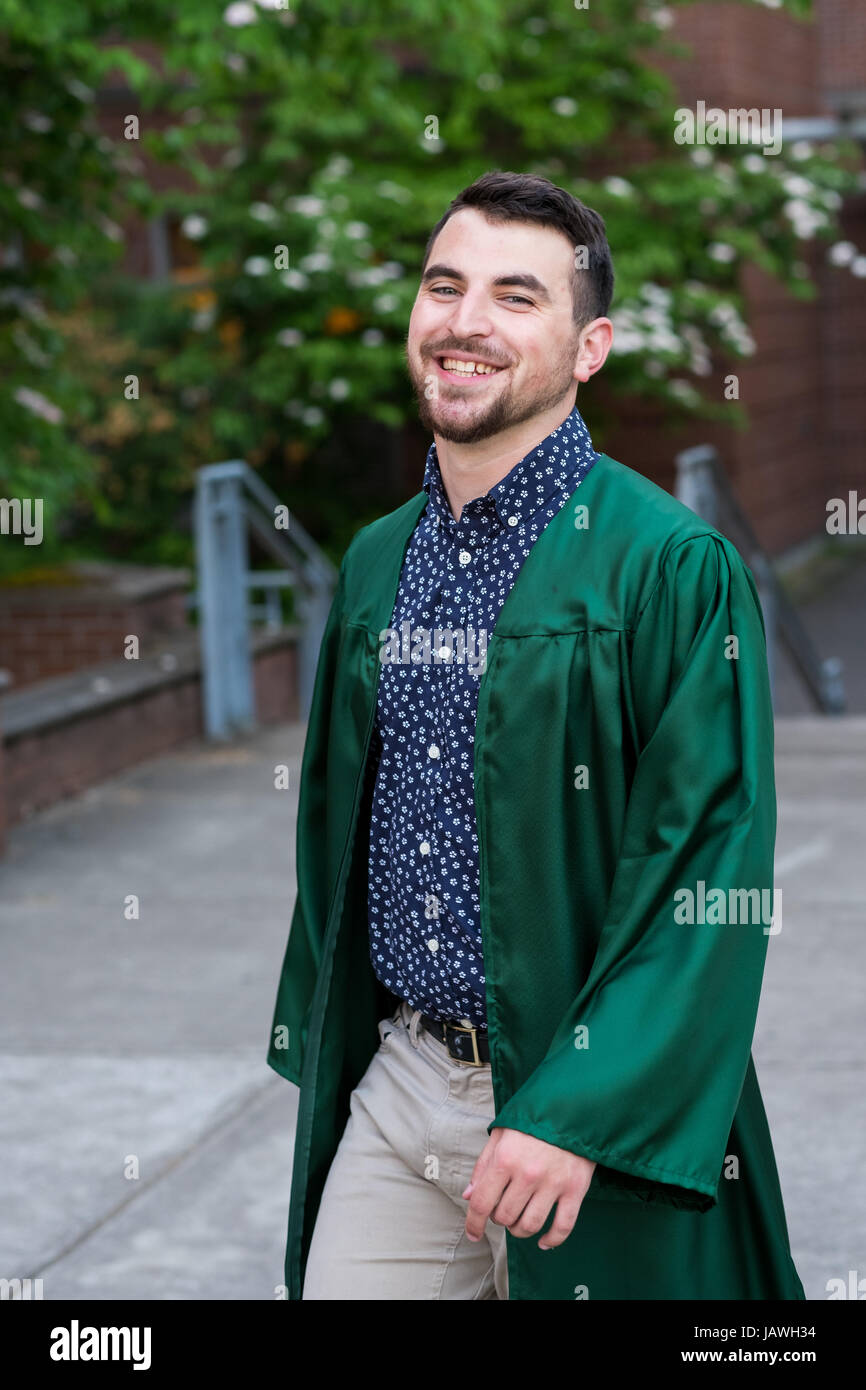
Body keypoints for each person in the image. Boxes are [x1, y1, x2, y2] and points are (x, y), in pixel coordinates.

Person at [266, 169, 806, 1301]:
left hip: (578, 1114)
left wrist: (576, 1110)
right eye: (442, 286)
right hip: (405, 1083)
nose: (464, 323)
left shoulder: (662, 566)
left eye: (515, 297)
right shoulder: (376, 560)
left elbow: (705, 870)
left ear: (589, 345)